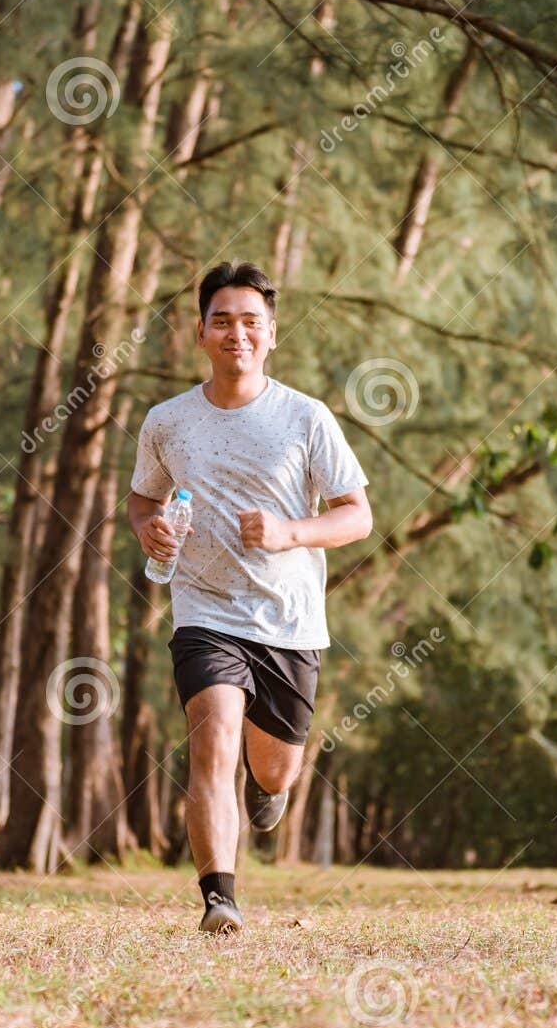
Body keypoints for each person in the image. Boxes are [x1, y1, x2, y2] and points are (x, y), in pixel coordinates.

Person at [127, 260, 373, 934]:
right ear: (200, 333)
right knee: (211, 737)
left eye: (250, 322)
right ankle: (219, 897)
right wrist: (148, 528)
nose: (236, 333)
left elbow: (358, 514)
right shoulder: (167, 421)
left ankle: (272, 791)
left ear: (271, 335)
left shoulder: (305, 417)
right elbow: (143, 495)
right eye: (222, 321)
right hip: (204, 611)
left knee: (272, 767)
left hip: (289, 621)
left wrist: (292, 530)